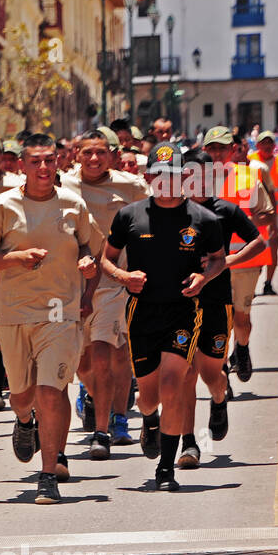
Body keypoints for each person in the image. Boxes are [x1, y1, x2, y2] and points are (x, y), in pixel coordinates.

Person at [0, 133, 99, 505]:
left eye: (49, 160)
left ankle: (48, 473)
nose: (43, 168)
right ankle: (24, 421)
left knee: (50, 391)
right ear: (22, 166)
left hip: (60, 313)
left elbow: (93, 249)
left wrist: (89, 275)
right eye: (35, 161)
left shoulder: (74, 206)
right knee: (23, 395)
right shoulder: (3, 206)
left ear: (57, 162)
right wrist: (15, 259)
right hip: (13, 314)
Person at [102, 143, 225, 491]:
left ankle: (166, 469)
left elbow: (218, 259)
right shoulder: (129, 216)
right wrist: (125, 278)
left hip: (183, 312)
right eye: (159, 175)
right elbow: (106, 259)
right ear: (148, 177)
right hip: (141, 313)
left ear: (186, 176)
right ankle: (149, 420)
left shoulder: (205, 220)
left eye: (173, 175)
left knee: (173, 386)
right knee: (148, 397)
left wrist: (205, 277)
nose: (166, 181)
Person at [61, 130, 150, 456]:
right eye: (88, 153)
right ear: (76, 154)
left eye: (101, 153)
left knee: (110, 354)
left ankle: (114, 422)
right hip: (71, 288)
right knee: (81, 363)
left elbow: (148, 226)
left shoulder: (131, 186)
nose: (94, 159)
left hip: (115, 284)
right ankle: (95, 398)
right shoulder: (62, 185)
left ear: (112, 155)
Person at [180, 148, 267, 466]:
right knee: (186, 373)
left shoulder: (226, 211)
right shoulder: (171, 212)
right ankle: (188, 443)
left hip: (217, 301)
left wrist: (228, 259)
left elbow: (259, 240)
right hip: (181, 303)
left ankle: (219, 397)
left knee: (210, 374)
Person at [202, 127, 273, 383]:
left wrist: (239, 220)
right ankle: (221, 377)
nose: (217, 153)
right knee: (220, 320)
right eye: (212, 148)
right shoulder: (195, 181)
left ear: (233, 150)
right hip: (209, 263)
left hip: (244, 260)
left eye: (222, 148)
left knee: (241, 319)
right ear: (204, 151)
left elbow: (268, 214)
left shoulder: (248, 178)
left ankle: (241, 348)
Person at [249, 132, 278, 295]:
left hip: (277, 213)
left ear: (274, 145)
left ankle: (268, 283)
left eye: (270, 143)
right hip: (256, 211)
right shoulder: (251, 162)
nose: (267, 146)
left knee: (273, 249)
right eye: (263, 143)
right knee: (256, 247)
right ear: (257, 145)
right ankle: (252, 283)